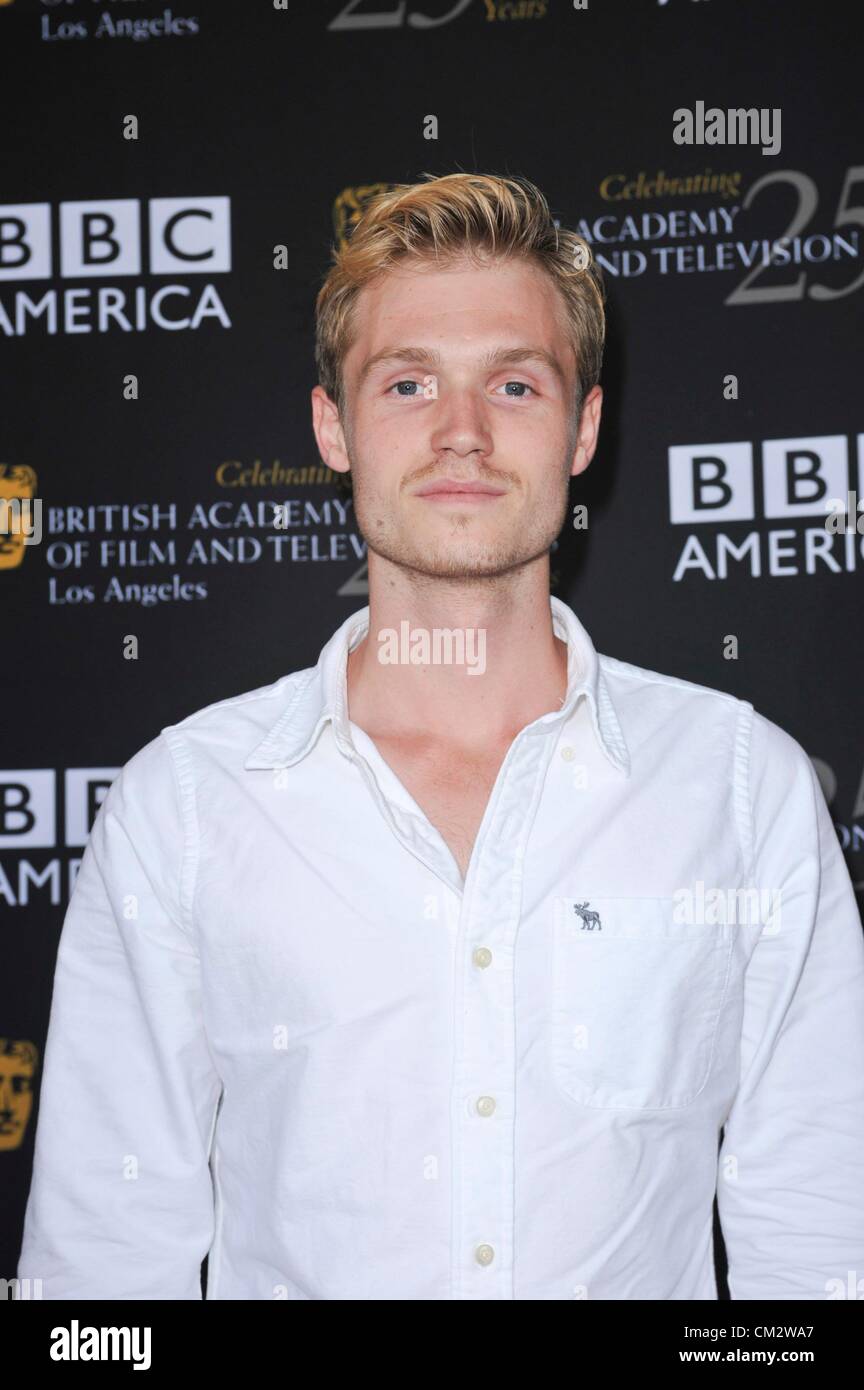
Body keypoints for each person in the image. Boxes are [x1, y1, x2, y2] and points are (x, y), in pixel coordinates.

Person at [18, 172, 864, 1300]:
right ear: (333, 426)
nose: (461, 433)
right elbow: (105, 1269)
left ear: (585, 427)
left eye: (514, 384)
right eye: (408, 383)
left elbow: (820, 1244)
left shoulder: (741, 790)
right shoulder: (183, 807)